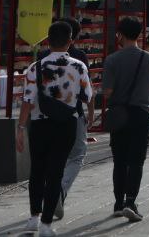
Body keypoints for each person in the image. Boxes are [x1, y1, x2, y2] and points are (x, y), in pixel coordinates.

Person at [17, 22, 93, 236]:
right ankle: (46, 225)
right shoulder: (78, 66)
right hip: (66, 124)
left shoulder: (35, 67)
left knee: (37, 171)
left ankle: (33, 217)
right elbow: (87, 96)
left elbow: (27, 99)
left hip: (39, 124)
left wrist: (21, 128)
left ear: (47, 40)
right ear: (70, 41)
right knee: (56, 172)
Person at [100, 16, 149, 222]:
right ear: (139, 35)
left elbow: (107, 91)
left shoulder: (112, 60)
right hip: (141, 113)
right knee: (136, 160)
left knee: (119, 160)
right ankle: (131, 201)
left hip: (119, 114)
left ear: (120, 34)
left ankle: (118, 203)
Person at [39, 18, 90, 221]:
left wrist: (23, 123)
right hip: (73, 114)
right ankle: (59, 190)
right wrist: (90, 112)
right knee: (77, 155)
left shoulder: (42, 59)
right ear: (72, 38)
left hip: (44, 117)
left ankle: (48, 196)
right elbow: (86, 92)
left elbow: (32, 92)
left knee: (50, 157)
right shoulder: (80, 59)